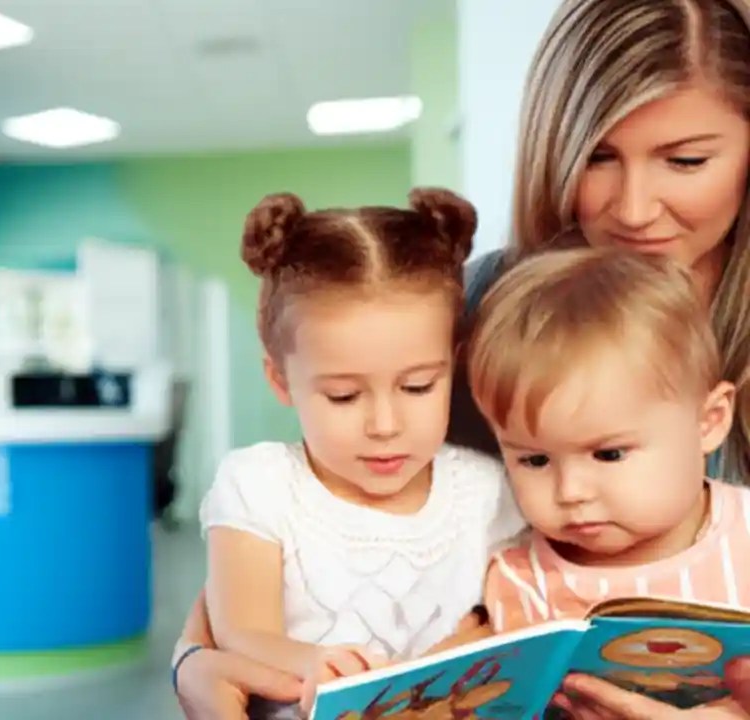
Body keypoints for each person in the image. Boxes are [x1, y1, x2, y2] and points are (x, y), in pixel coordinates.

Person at [172, 0, 750, 716]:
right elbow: (303, 545)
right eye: (597, 156)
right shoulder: (484, 305)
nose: (633, 208)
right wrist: (194, 663)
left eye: (687, 160)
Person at [199, 188, 526, 718]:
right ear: (281, 380)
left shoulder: (488, 490)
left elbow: (506, 620)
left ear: (454, 362)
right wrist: (309, 661)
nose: (385, 425)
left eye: (418, 386)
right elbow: (240, 629)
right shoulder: (259, 485)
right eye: (344, 396)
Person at [469, 246, 750, 714]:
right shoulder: (522, 582)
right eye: (535, 460)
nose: (571, 492)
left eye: (609, 454)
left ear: (709, 422)